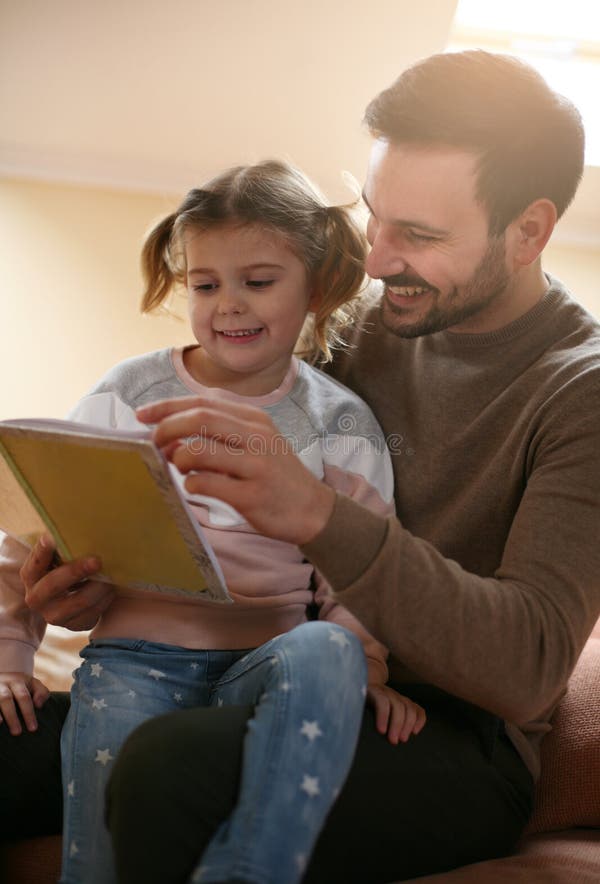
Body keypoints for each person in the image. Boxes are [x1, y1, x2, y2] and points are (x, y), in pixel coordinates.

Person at [2, 47, 600, 883]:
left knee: (165, 763)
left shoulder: (582, 392)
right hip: (240, 672)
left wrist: (318, 514)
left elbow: (531, 669)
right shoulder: (359, 323)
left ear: (529, 229)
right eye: (374, 214)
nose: (379, 257)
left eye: (419, 235)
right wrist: (90, 576)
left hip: (442, 737)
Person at [0, 159, 426, 884]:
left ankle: (249, 872)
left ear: (315, 287)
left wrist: (369, 667)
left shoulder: (341, 421)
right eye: (205, 285)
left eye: (258, 282)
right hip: (135, 656)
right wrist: (11, 654)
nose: (229, 304)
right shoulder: (128, 390)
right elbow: (37, 534)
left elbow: (360, 568)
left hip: (268, 666)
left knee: (330, 649)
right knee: (100, 857)